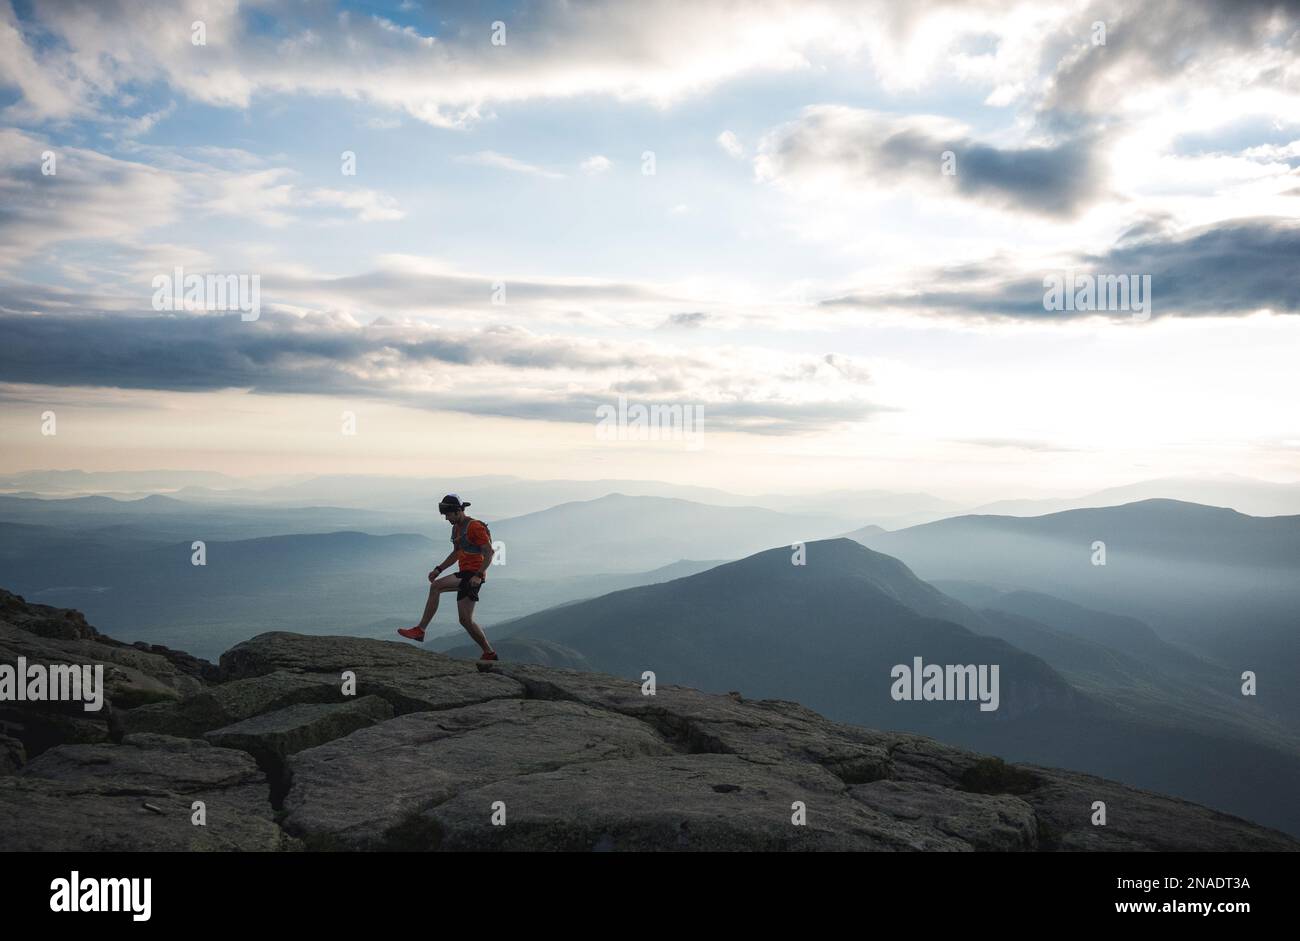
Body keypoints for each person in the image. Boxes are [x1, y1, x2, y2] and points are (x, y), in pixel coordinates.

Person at [398, 494, 497, 660]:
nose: (446, 518)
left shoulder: (474, 527)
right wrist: (438, 569)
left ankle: (420, 630)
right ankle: (489, 653)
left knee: (436, 587)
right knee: (465, 620)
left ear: (458, 511)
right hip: (466, 573)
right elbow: (456, 553)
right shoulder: (457, 528)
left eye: (448, 515)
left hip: (472, 574)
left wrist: (479, 575)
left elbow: (489, 552)